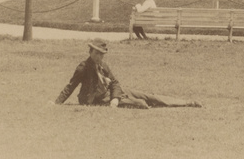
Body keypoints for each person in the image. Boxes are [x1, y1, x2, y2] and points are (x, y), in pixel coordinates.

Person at [53, 39, 201, 109]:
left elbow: (115, 82)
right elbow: (70, 86)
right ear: (90, 52)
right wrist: (56, 102)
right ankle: (145, 104)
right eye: (97, 53)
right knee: (141, 104)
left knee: (148, 96)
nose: (99, 57)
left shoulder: (103, 66)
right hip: (98, 99)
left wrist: (115, 98)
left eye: (102, 54)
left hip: (112, 94)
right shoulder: (83, 67)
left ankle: (186, 102)